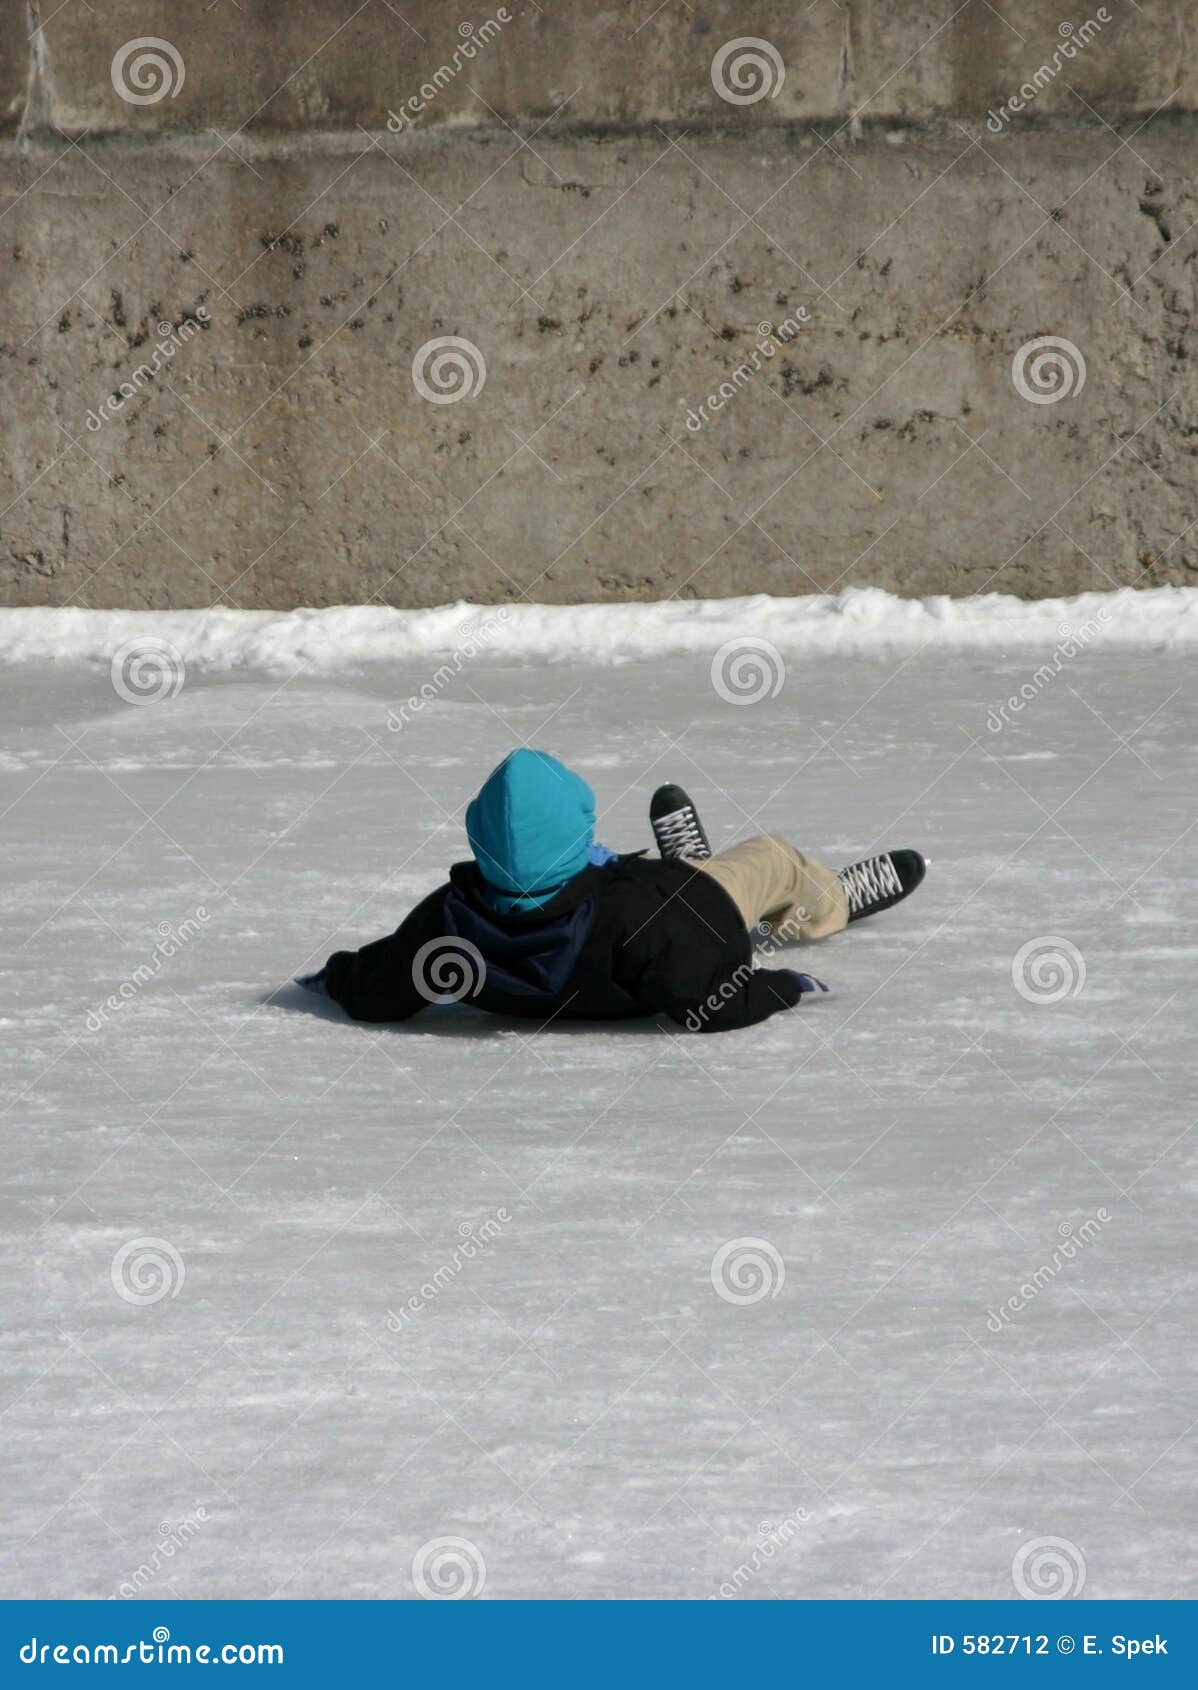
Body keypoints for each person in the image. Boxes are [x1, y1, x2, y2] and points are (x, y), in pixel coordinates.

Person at [298, 749, 925, 1034]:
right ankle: (827, 901)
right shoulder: (644, 920)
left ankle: (684, 862)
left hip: (638, 910)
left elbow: (378, 989)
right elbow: (707, 1001)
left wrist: (335, 975)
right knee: (770, 858)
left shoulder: (447, 921)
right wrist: (782, 986)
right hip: (694, 910)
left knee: (633, 872)